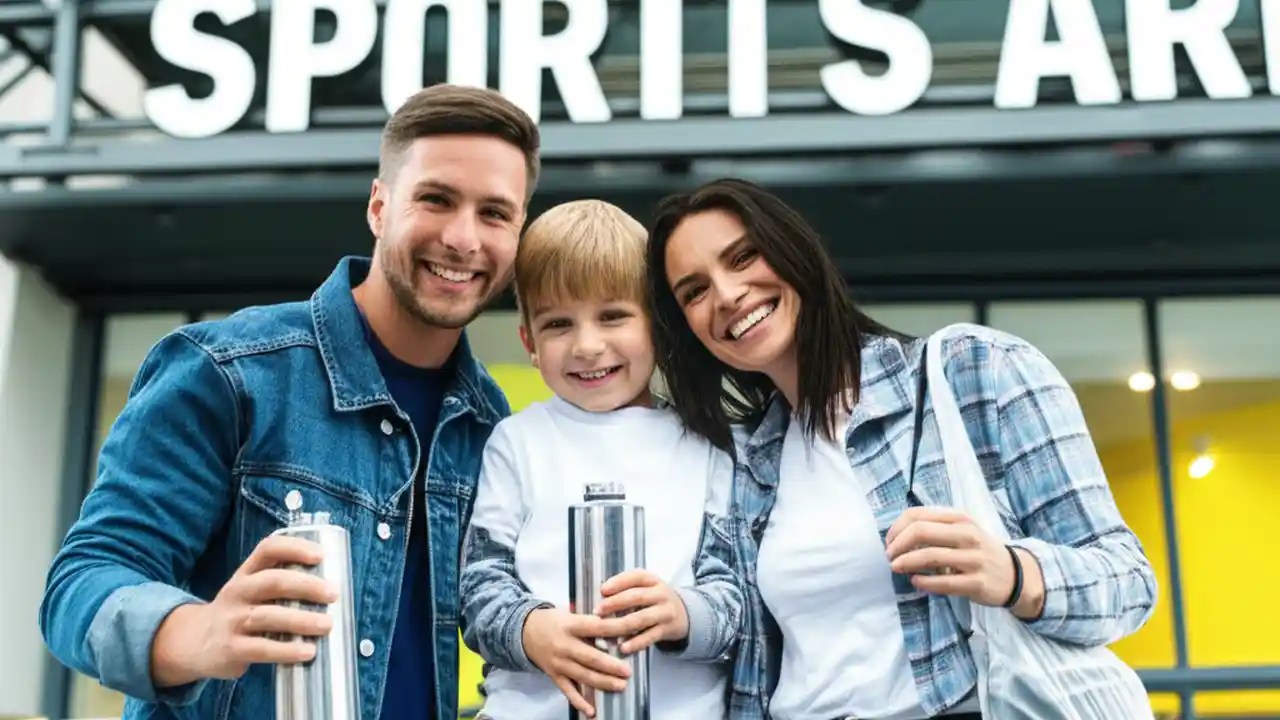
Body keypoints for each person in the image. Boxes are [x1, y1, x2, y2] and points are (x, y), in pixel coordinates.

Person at [39, 84, 539, 720]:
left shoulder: (496, 429)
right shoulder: (228, 371)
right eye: (436, 199)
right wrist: (197, 633)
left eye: (495, 214)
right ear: (380, 207)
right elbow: (80, 585)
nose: (464, 239)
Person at [643, 178, 1158, 720]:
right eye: (694, 291)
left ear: (794, 249)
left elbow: (1129, 583)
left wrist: (1012, 573)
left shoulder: (974, 371)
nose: (726, 295)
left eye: (744, 256)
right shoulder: (749, 462)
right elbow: (739, 635)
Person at [458, 199, 741, 720]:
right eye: (558, 324)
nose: (588, 345)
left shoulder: (707, 445)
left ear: (658, 325)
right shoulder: (517, 441)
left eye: (613, 316)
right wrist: (531, 629)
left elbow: (733, 595)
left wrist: (681, 613)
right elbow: (480, 585)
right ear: (529, 342)